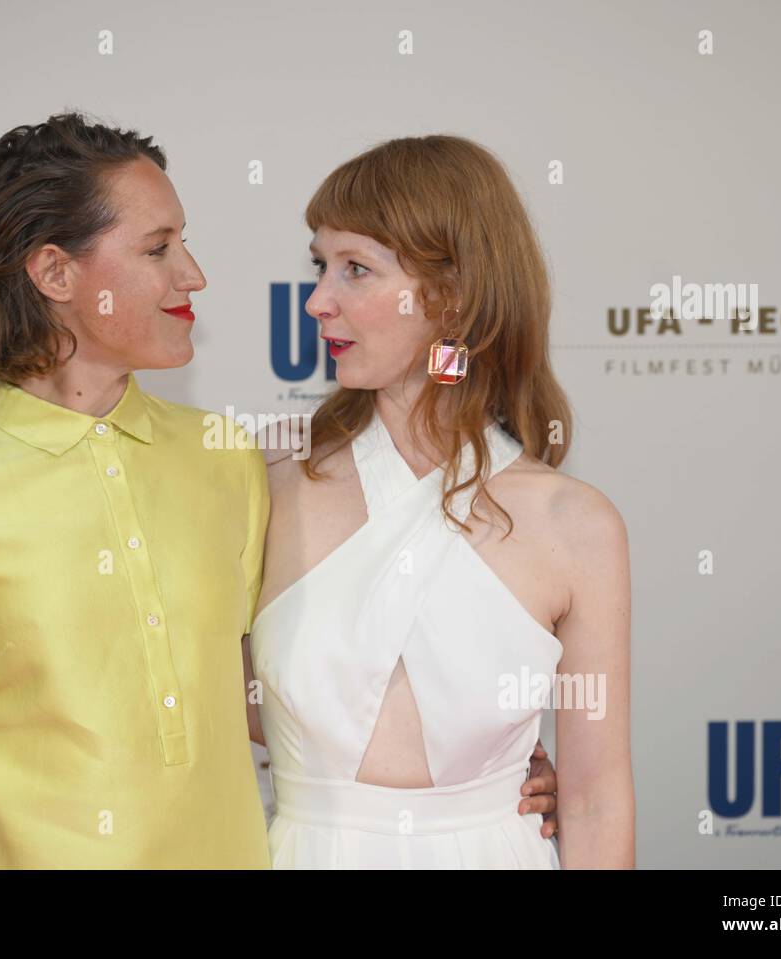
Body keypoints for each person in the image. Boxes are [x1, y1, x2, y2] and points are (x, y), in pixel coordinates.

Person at [0, 112, 560, 868]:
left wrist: (478, 770)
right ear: (56, 273)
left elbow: (298, 682)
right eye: (159, 248)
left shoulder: (230, 463)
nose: (193, 274)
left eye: (184, 242)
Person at [246, 135, 634, 868]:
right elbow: (203, 697)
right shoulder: (266, 478)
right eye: (319, 265)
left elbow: (595, 795)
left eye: (355, 269)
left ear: (452, 295)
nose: (317, 300)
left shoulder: (574, 523)